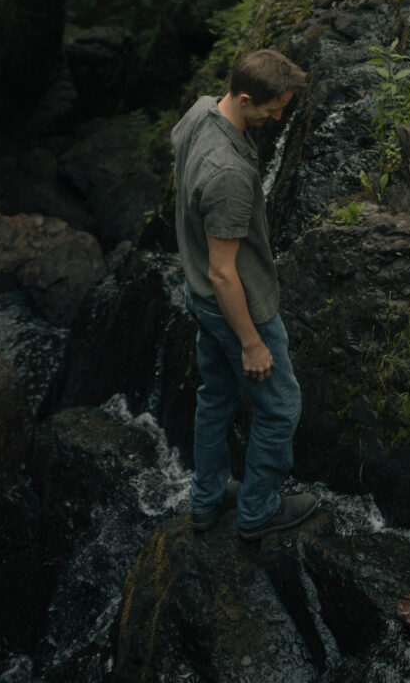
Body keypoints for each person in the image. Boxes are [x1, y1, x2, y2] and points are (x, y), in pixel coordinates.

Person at [173, 47, 318, 538]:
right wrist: (252, 342)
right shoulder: (229, 175)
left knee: (216, 397)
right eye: (272, 110)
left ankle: (206, 500)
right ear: (244, 98)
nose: (277, 119)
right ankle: (257, 511)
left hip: (198, 296)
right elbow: (223, 273)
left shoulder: (200, 112)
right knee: (280, 408)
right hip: (235, 307)